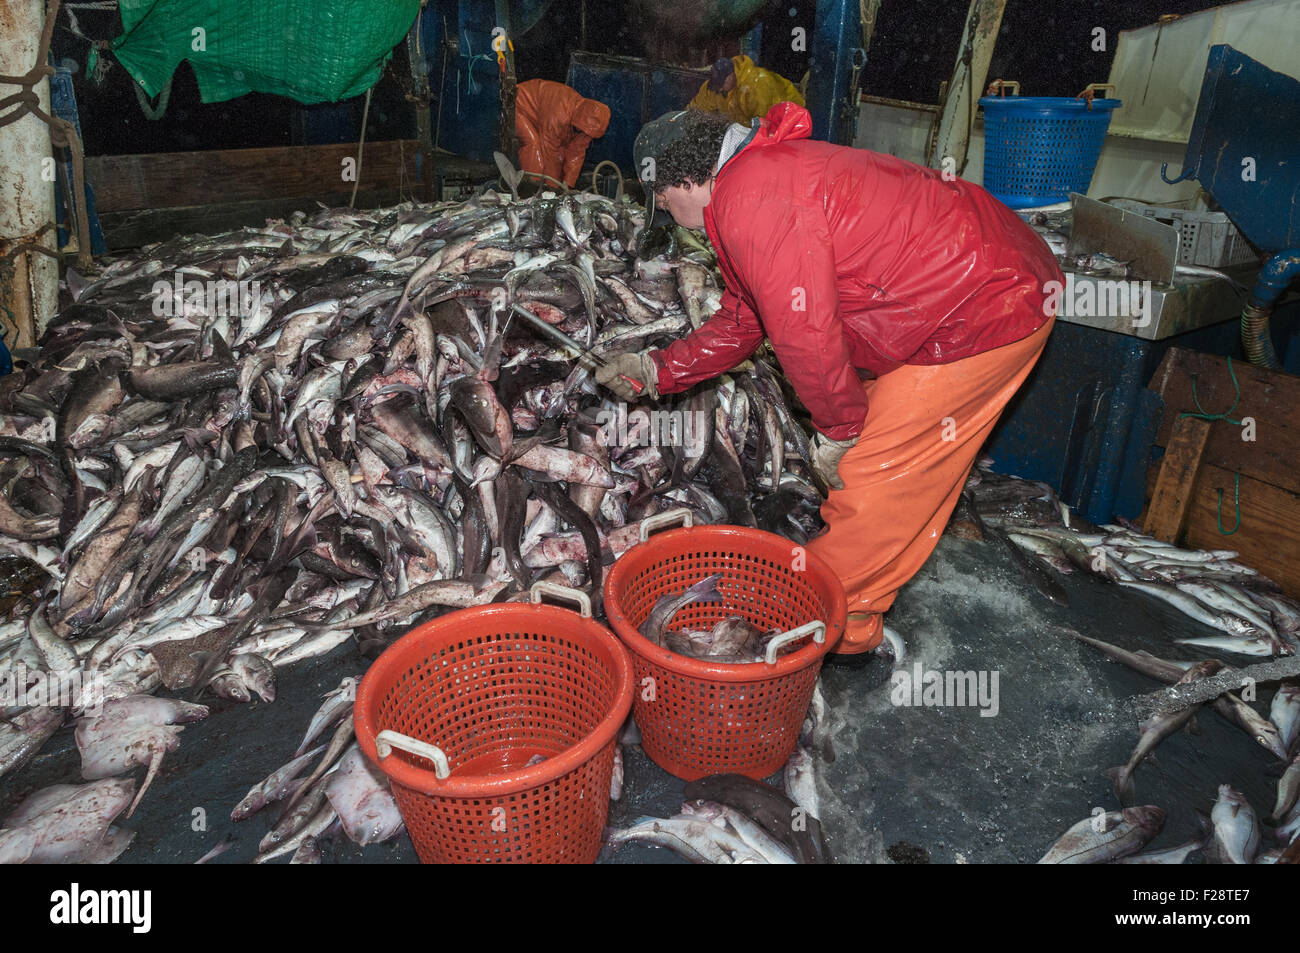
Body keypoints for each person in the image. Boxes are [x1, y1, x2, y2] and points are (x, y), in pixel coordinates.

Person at [596, 104, 1062, 655]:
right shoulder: (755, 181)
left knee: (873, 475)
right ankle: (853, 608)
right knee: (891, 457)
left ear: (686, 179)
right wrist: (659, 369)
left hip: (984, 303)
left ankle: (834, 633)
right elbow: (749, 316)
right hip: (964, 287)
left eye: (663, 201)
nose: (666, 214)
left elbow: (806, 331)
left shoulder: (753, 200)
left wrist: (838, 430)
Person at [514, 79, 611, 188]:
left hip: (540, 117)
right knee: (533, 144)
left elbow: (577, 152)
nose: (585, 135)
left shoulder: (584, 125)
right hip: (517, 105)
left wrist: (567, 184)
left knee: (560, 153)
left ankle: (543, 188)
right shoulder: (559, 113)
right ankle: (531, 187)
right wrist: (553, 188)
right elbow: (549, 151)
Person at [688, 55, 804, 125]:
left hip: (790, 121)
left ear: (731, 75)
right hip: (749, 126)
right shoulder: (715, 86)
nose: (719, 88)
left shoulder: (757, 84)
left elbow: (764, 125)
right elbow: (696, 108)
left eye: (722, 83)